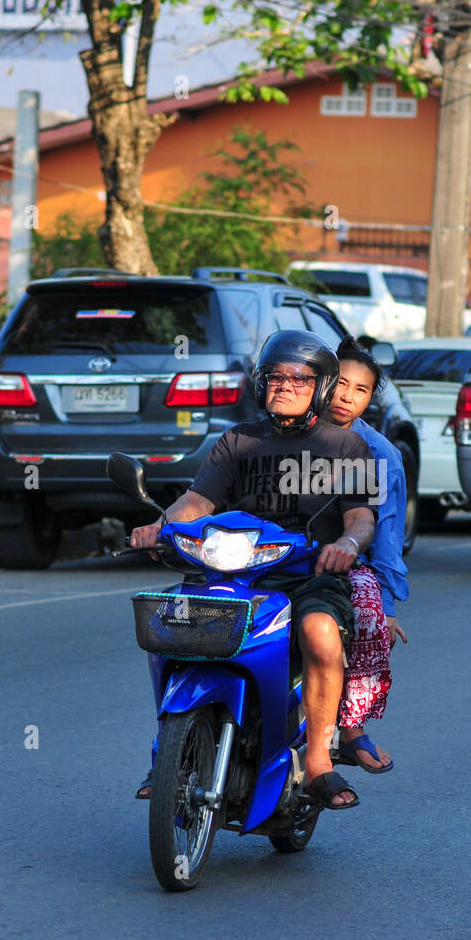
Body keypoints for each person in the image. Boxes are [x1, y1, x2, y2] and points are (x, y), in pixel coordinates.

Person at [130, 330, 380, 810]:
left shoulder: (346, 446)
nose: (283, 386)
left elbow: (360, 516)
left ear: (322, 387)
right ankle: (169, 752)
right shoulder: (236, 440)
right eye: (274, 377)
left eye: (298, 378)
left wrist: (346, 544)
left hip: (307, 572)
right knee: (170, 622)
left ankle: (318, 763)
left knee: (321, 633)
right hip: (232, 572)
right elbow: (197, 502)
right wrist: (159, 526)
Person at [325, 336, 408, 775]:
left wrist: (388, 603)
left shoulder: (382, 455)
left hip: (347, 564)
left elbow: (387, 538)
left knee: (371, 618)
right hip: (266, 555)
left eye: (359, 389)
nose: (345, 396)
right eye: (339, 383)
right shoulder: (282, 429)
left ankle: (351, 728)